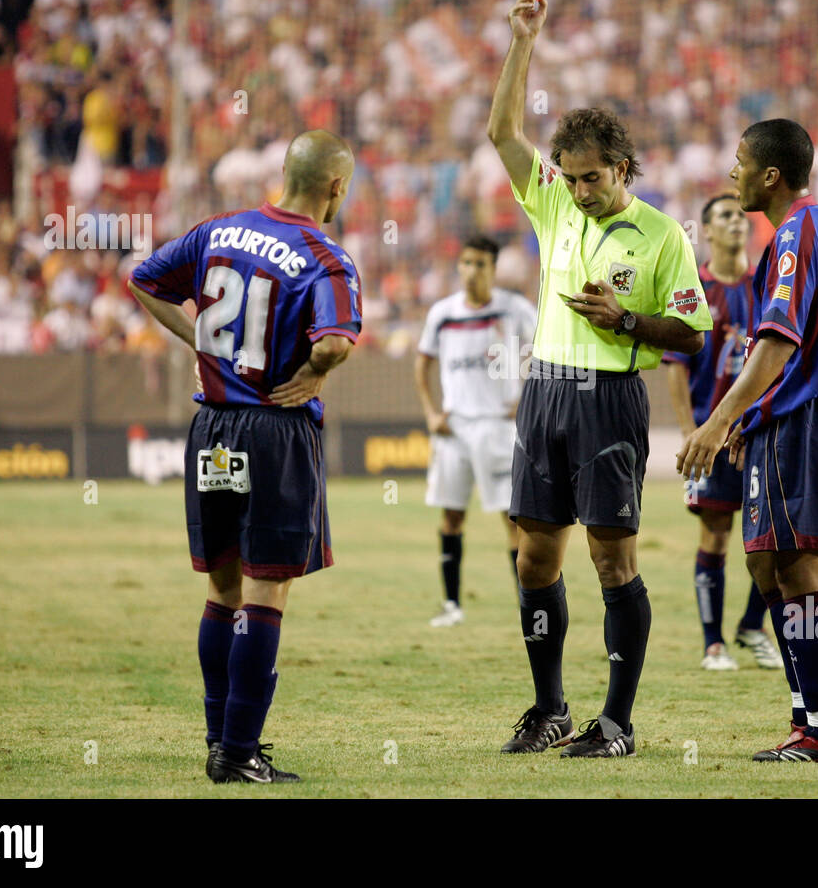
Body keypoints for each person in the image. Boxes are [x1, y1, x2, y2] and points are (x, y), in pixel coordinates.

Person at [487, 0, 711, 757]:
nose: (578, 192)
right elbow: (501, 130)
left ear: (621, 168)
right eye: (569, 178)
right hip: (544, 391)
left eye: (590, 179)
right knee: (533, 555)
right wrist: (523, 41)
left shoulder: (660, 237)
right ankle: (550, 706)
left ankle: (617, 723)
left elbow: (689, 334)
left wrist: (626, 322)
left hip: (610, 400)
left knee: (612, 560)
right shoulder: (552, 206)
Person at [129, 129, 362, 783]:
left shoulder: (220, 230)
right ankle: (237, 752)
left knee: (223, 585)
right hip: (274, 430)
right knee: (266, 588)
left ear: (285, 171)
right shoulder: (325, 255)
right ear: (337, 186)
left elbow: (144, 281)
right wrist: (316, 372)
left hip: (212, 429)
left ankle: (218, 741)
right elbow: (337, 342)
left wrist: (201, 339)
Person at [677, 118, 818, 763]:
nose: (734, 174)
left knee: (799, 567)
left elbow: (779, 344)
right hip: (792, 416)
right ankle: (808, 717)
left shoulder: (796, 233)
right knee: (769, 563)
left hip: (804, 415)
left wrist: (720, 419)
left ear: (770, 175)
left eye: (740, 163)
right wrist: (748, 422)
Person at [664, 192, 782, 672]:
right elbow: (675, 365)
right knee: (715, 534)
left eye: (741, 215)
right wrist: (691, 432)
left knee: (771, 541)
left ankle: (752, 626)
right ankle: (713, 644)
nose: (737, 221)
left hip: (758, 433)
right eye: (725, 216)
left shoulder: (768, 285)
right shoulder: (693, 287)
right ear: (707, 230)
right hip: (712, 437)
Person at [414, 234, 538, 627]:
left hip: (499, 428)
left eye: (479, 264)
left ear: (493, 269)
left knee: (513, 519)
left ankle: (527, 605)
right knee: (451, 517)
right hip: (454, 429)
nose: (470, 271)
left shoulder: (515, 309)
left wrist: (528, 399)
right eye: (465, 263)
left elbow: (544, 352)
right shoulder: (443, 312)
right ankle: (452, 605)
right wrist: (432, 412)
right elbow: (422, 363)